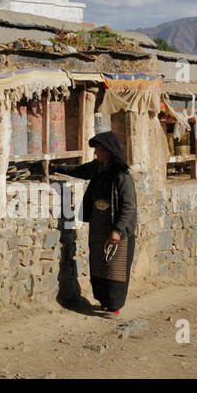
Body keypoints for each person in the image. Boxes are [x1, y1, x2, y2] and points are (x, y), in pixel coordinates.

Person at [51, 131, 137, 315]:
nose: (96, 154)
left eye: (99, 150)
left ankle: (114, 306)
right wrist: (55, 168)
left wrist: (117, 230)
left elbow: (129, 207)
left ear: (109, 151)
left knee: (115, 269)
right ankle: (104, 301)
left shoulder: (123, 177)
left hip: (117, 231)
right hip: (98, 227)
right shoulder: (98, 167)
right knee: (99, 266)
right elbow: (78, 171)